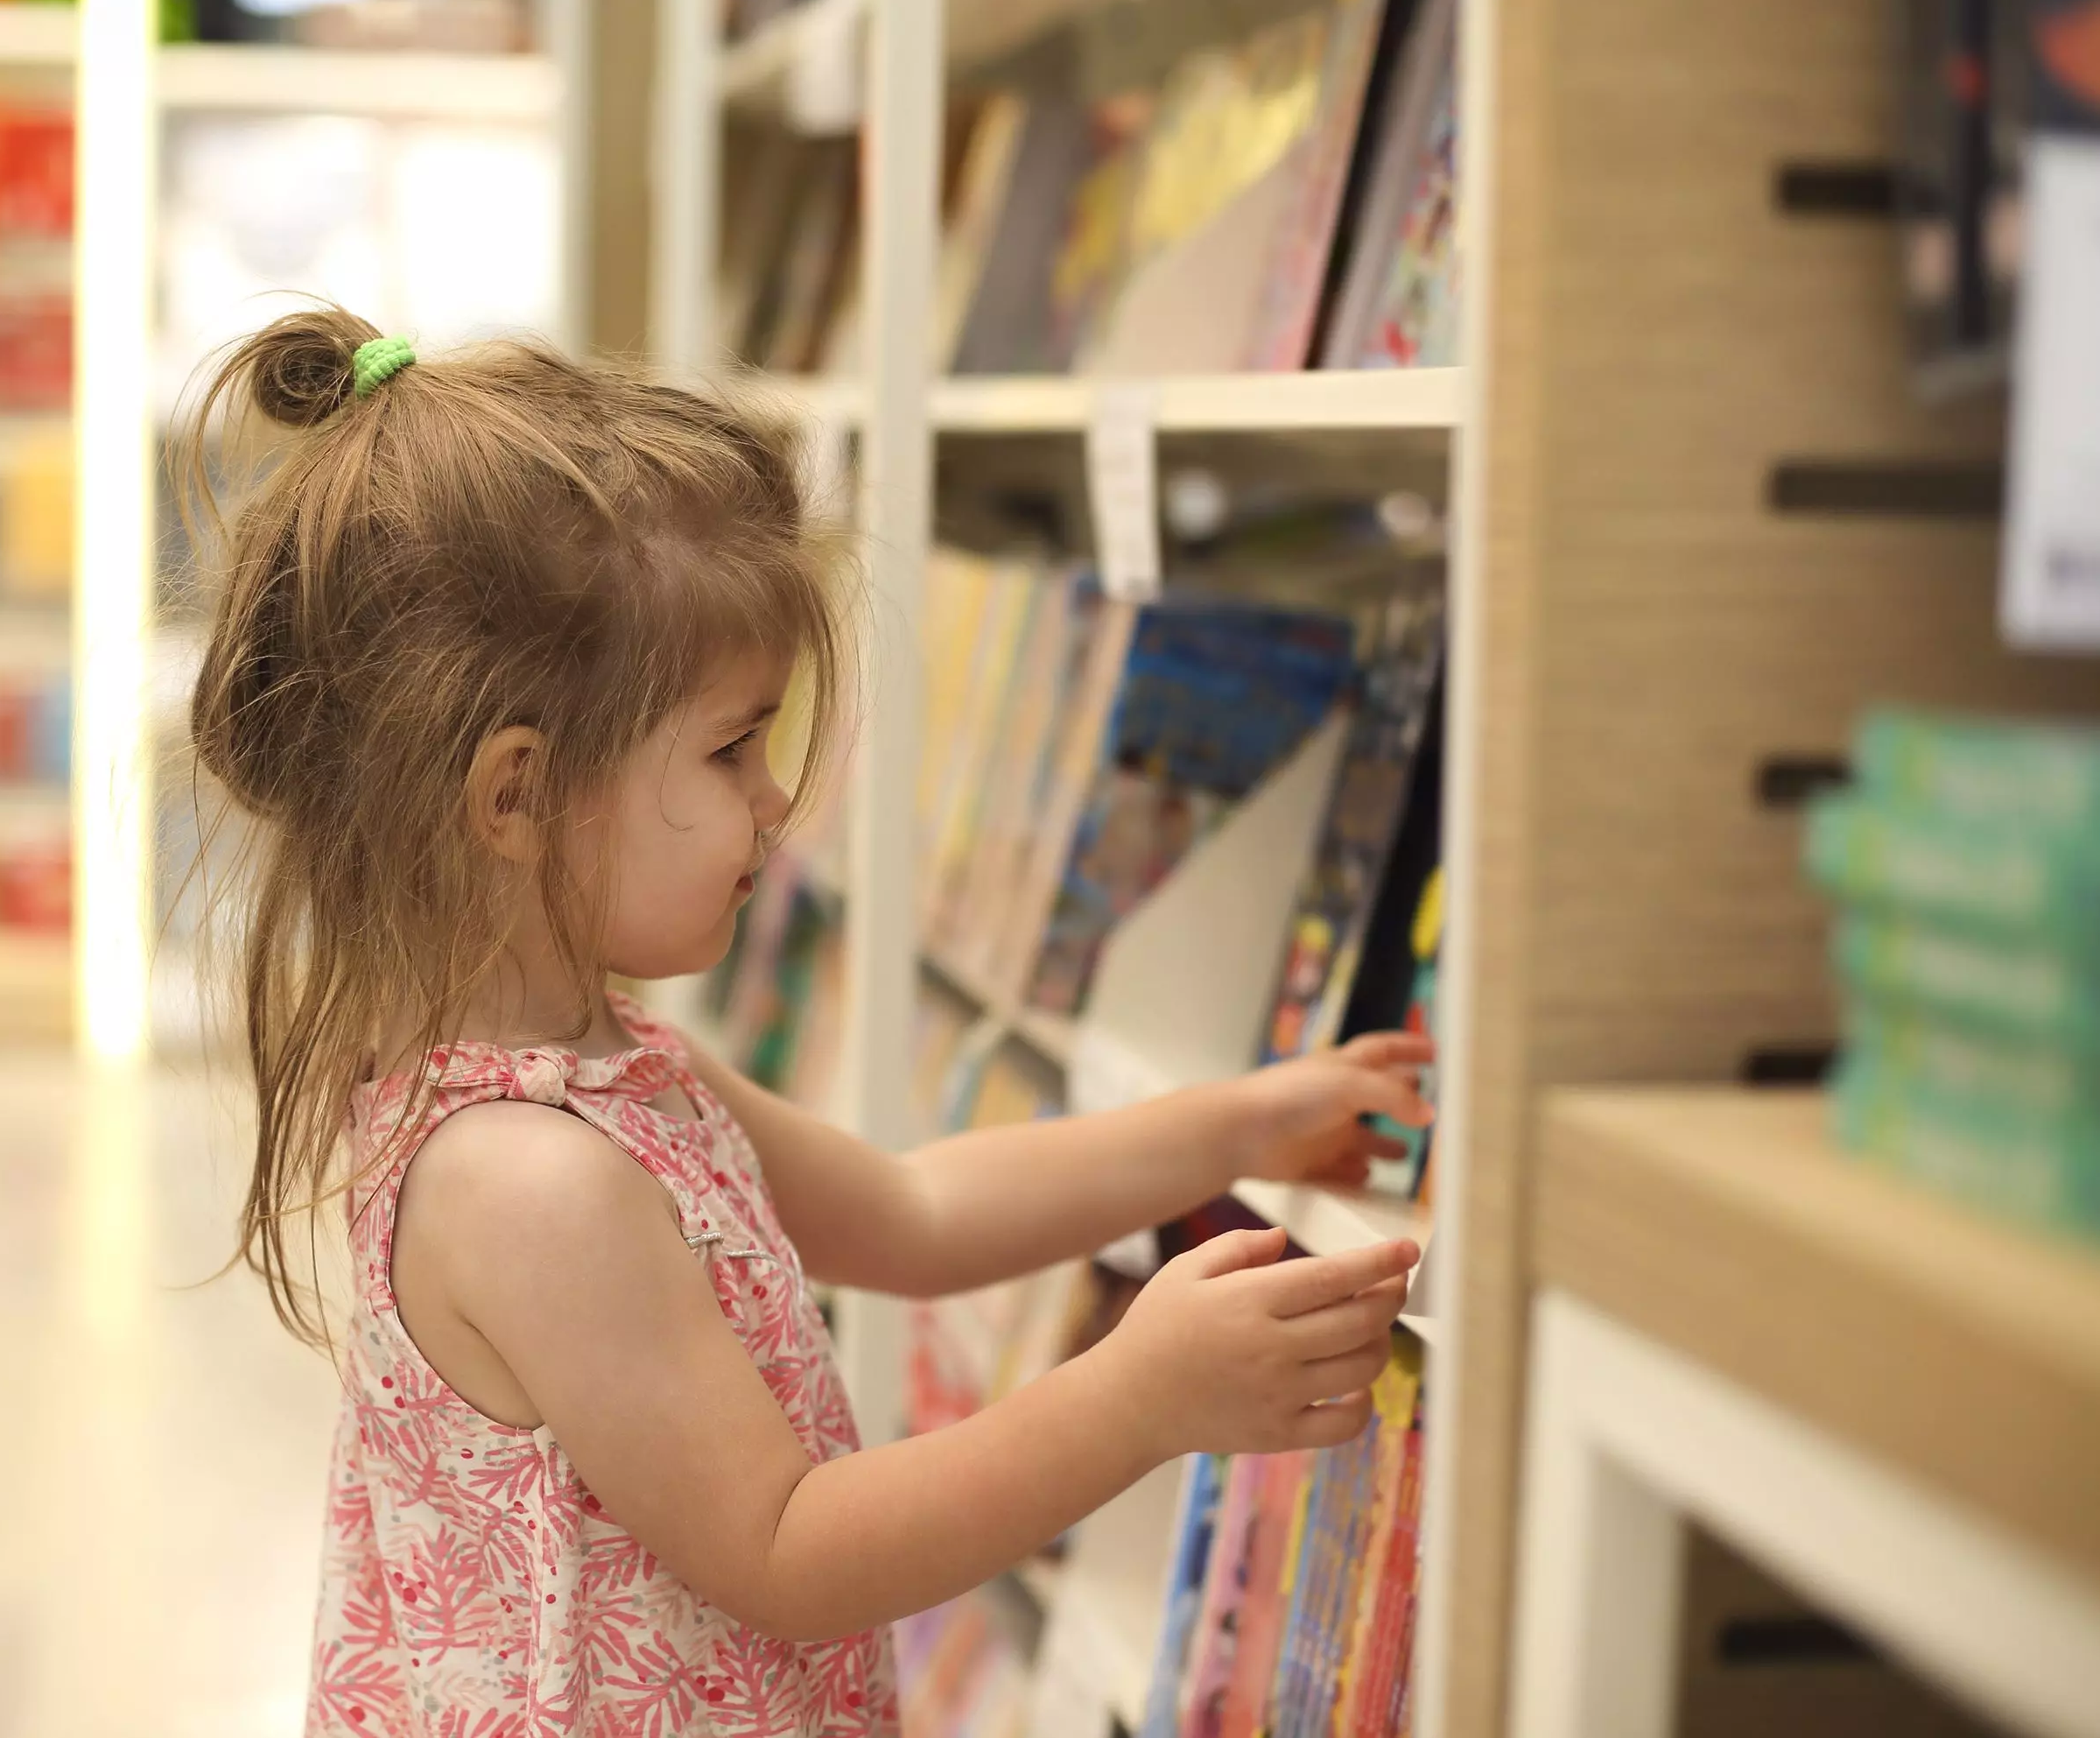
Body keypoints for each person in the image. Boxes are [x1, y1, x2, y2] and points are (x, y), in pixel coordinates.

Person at [180, 307, 1429, 1736]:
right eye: (730, 748)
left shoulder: (617, 1069)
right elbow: (790, 1550)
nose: (773, 802)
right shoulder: (527, 1183)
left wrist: (1244, 1121)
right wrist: (1137, 1401)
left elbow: (913, 1211)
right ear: (513, 797)